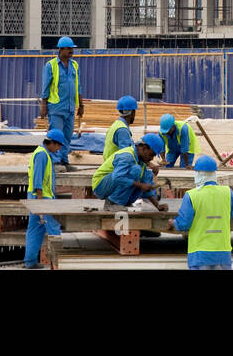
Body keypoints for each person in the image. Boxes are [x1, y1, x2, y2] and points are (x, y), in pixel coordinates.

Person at [170, 155, 233, 270]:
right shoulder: (227, 192)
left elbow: (184, 223)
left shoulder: (192, 195)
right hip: (223, 252)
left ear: (199, 174)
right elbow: (231, 214)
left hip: (200, 253)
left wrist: (173, 223)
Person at [91, 133, 168, 211]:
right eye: (151, 155)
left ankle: (122, 202)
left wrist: (157, 206)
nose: (152, 159)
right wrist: (140, 185)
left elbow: (145, 185)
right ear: (144, 148)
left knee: (146, 175)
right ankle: (112, 203)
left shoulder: (141, 161)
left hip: (111, 183)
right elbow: (117, 177)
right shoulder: (127, 156)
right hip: (100, 185)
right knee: (136, 171)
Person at [23, 130, 66, 268]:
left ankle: (30, 262)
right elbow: (37, 178)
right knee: (54, 228)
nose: (59, 149)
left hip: (35, 197)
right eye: (58, 145)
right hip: (42, 198)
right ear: (52, 143)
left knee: (35, 229)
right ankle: (60, 263)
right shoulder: (42, 155)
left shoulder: (42, 152)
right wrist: (40, 199)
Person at [37, 37, 82, 167]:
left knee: (67, 136)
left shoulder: (74, 65)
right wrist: (44, 106)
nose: (71, 51)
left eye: (72, 49)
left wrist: (81, 104)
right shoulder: (51, 65)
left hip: (70, 108)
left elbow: (78, 86)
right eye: (68, 49)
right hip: (56, 107)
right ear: (60, 50)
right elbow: (45, 87)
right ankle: (55, 162)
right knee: (56, 135)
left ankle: (64, 161)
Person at [102, 95, 137, 161]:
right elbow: (127, 155)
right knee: (137, 169)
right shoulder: (122, 130)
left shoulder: (116, 125)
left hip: (110, 164)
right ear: (132, 113)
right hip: (115, 167)